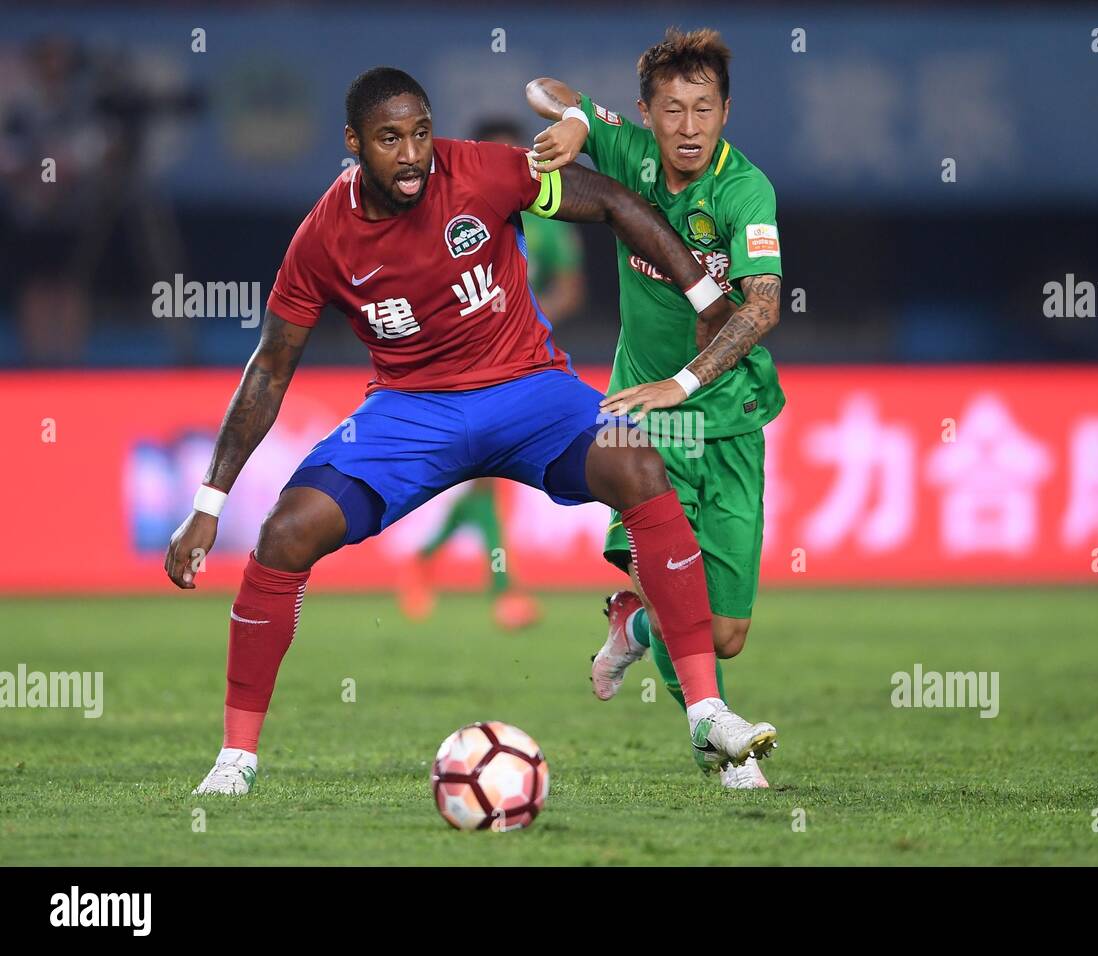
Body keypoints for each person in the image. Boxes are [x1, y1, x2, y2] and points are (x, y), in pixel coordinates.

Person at [164, 67, 777, 795]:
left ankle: (707, 714)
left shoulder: (483, 171)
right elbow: (270, 368)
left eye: (420, 132)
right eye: (390, 139)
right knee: (285, 533)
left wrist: (704, 292)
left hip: (529, 393)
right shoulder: (324, 237)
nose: (413, 153)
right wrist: (208, 506)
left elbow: (612, 198)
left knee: (636, 464)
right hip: (413, 412)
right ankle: (235, 760)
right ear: (354, 143)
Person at [526, 27, 784, 788]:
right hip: (645, 414)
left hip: (729, 413)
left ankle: (631, 622)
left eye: (704, 109)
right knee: (685, 599)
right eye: (671, 109)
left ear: (726, 113)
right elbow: (547, 87)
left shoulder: (746, 192)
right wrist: (576, 122)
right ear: (647, 112)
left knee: (726, 632)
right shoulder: (630, 153)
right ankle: (721, 744)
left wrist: (689, 381)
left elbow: (761, 308)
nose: (688, 127)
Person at [398, 117, 589, 630]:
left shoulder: (548, 218)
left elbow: (570, 289)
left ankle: (428, 560)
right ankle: (503, 591)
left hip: (525, 360)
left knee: (484, 477)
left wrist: (525, 312)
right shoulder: (446, 213)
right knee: (483, 476)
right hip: (461, 362)